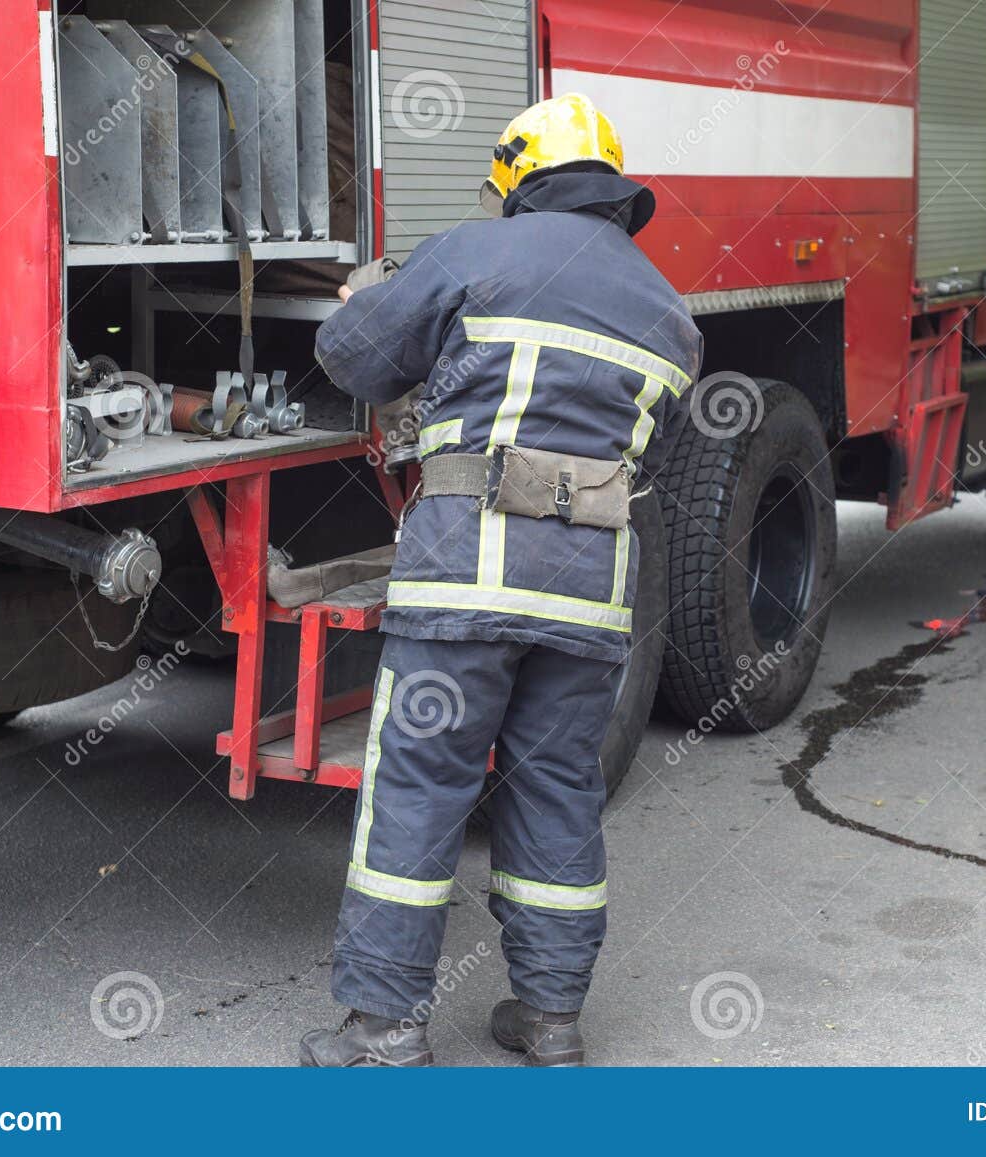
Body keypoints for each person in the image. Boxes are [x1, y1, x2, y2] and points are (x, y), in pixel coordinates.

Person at [300, 93, 703, 1066]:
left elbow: (351, 359)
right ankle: (550, 1015)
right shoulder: (670, 313)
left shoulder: (477, 253)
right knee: (556, 783)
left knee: (421, 785)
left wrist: (364, 303)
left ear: (521, 177)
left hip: (465, 578)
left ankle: (386, 1026)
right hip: (592, 587)